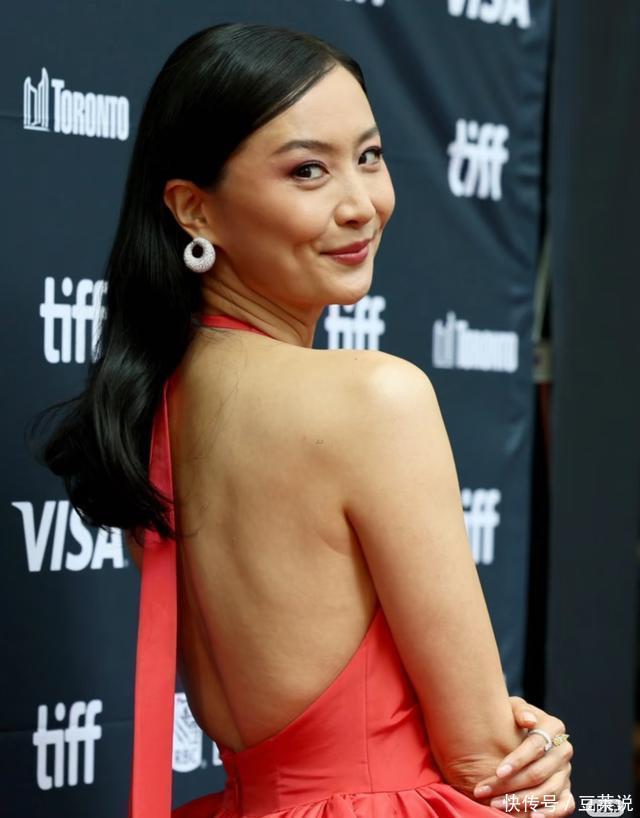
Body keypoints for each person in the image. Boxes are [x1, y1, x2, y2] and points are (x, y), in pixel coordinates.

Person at [37, 22, 573, 817]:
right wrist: (538, 760)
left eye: (371, 156)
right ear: (195, 211)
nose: (361, 205)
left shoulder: (149, 413)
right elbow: (487, 767)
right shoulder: (375, 399)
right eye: (308, 170)